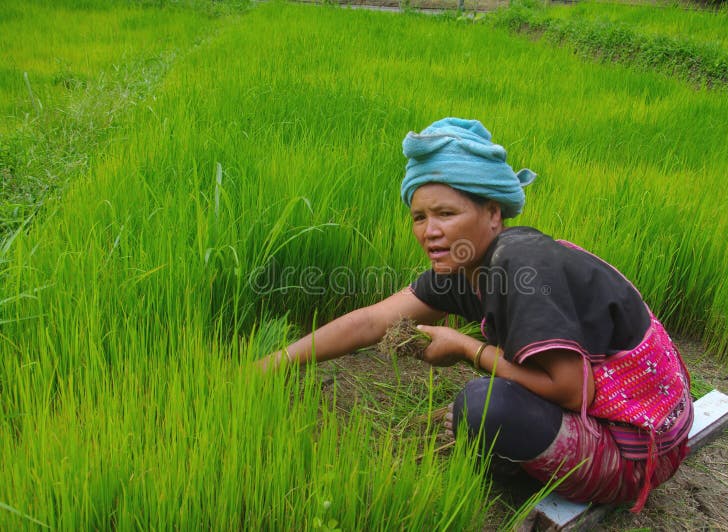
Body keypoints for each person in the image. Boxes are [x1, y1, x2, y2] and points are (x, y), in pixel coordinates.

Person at [256, 117, 693, 512]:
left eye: (447, 213)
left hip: (637, 451)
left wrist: (467, 347)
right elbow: (372, 321)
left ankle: (520, 475)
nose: (430, 231)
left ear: (493, 214)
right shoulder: (463, 266)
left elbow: (570, 387)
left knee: (483, 404)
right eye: (419, 216)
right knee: (483, 405)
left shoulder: (519, 262)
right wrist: (271, 365)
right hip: (621, 423)